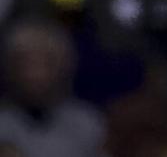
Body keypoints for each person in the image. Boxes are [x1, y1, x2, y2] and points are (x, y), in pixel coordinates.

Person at [0, 19, 105, 157]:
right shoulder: (3, 124)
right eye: (26, 63)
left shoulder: (88, 123)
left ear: (63, 66)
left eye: (46, 63)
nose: (35, 74)